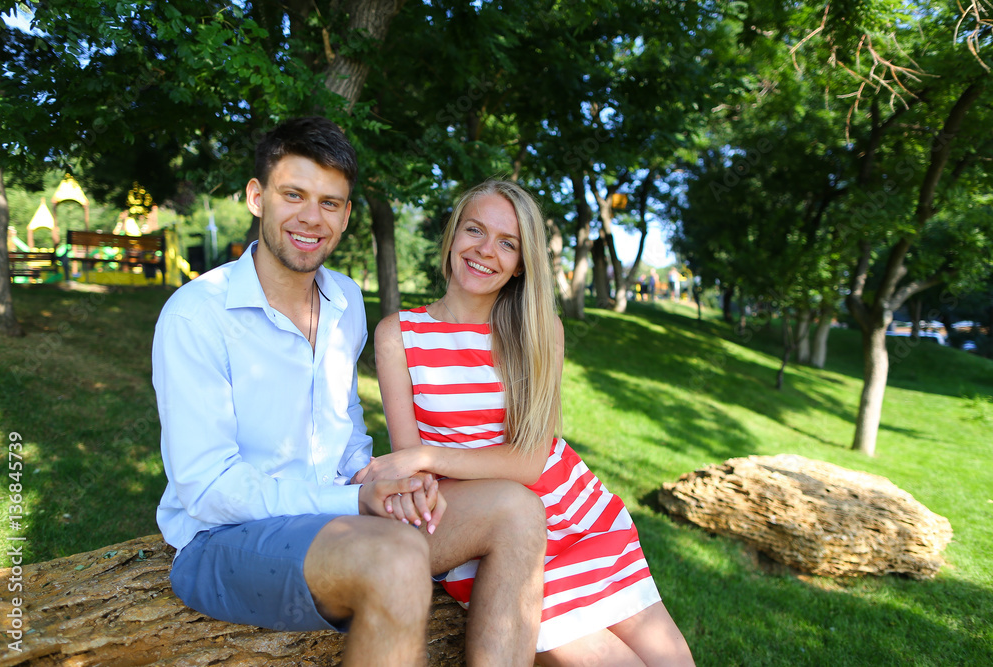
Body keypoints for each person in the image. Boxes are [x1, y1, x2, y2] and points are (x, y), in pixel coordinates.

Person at [153, 118, 546, 666]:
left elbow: (341, 429)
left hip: (339, 519)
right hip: (224, 539)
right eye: (294, 195)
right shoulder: (197, 315)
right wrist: (354, 499)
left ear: (346, 215)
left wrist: (389, 479)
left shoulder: (343, 300)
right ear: (257, 197)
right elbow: (208, 488)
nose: (311, 218)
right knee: (397, 558)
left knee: (518, 508)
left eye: (331, 203)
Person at [356, 179, 695, 666]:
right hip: (486, 525)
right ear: (452, 235)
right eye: (475, 230)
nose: (485, 250)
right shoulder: (399, 335)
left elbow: (531, 461)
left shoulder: (539, 331)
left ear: (520, 264)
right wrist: (421, 464)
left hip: (577, 515)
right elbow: (414, 474)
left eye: (507, 243)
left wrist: (427, 454)